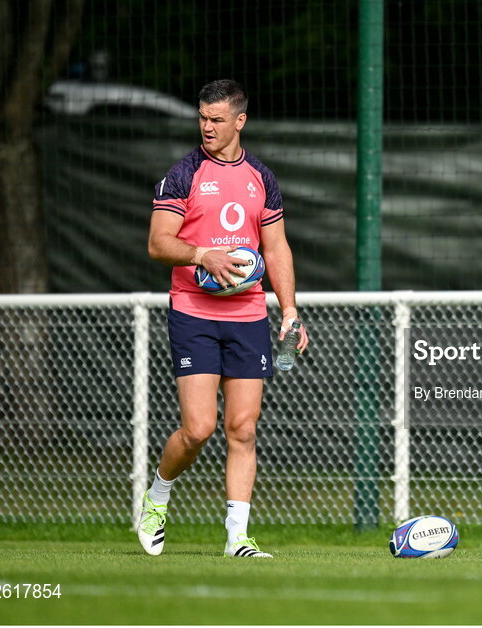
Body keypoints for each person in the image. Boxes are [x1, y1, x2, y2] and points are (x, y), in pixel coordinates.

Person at [138, 79, 309, 559]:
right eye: (202, 118)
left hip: (249, 314)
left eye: (216, 119)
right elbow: (157, 243)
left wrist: (290, 310)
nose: (207, 127)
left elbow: (274, 248)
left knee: (244, 427)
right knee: (199, 429)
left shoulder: (261, 177)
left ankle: (238, 538)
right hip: (194, 311)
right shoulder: (183, 174)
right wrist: (201, 255)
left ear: (240, 121)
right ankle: (157, 497)